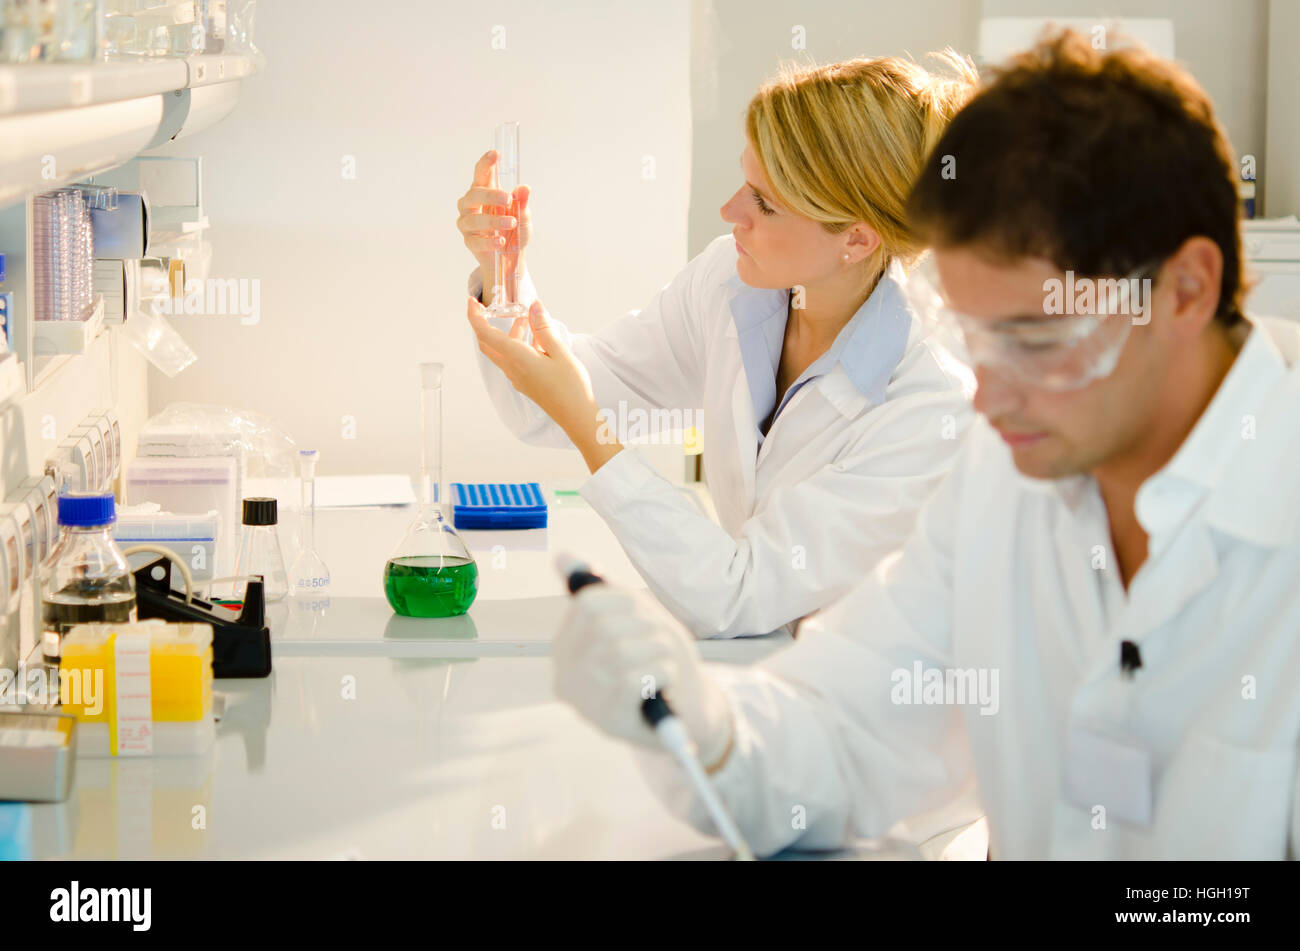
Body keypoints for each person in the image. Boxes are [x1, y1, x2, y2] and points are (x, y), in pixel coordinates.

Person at [551, 30, 1300, 858]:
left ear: (1186, 289)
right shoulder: (1003, 476)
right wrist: (704, 722)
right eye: (972, 337)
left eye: (1031, 336)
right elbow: (844, 731)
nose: (984, 393)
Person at [460, 53, 977, 638]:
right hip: (766, 672)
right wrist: (504, 273)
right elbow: (544, 408)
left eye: (765, 203)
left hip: (878, 703)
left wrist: (591, 431)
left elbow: (737, 594)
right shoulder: (734, 286)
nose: (731, 211)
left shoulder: (930, 406)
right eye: (745, 180)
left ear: (856, 239)